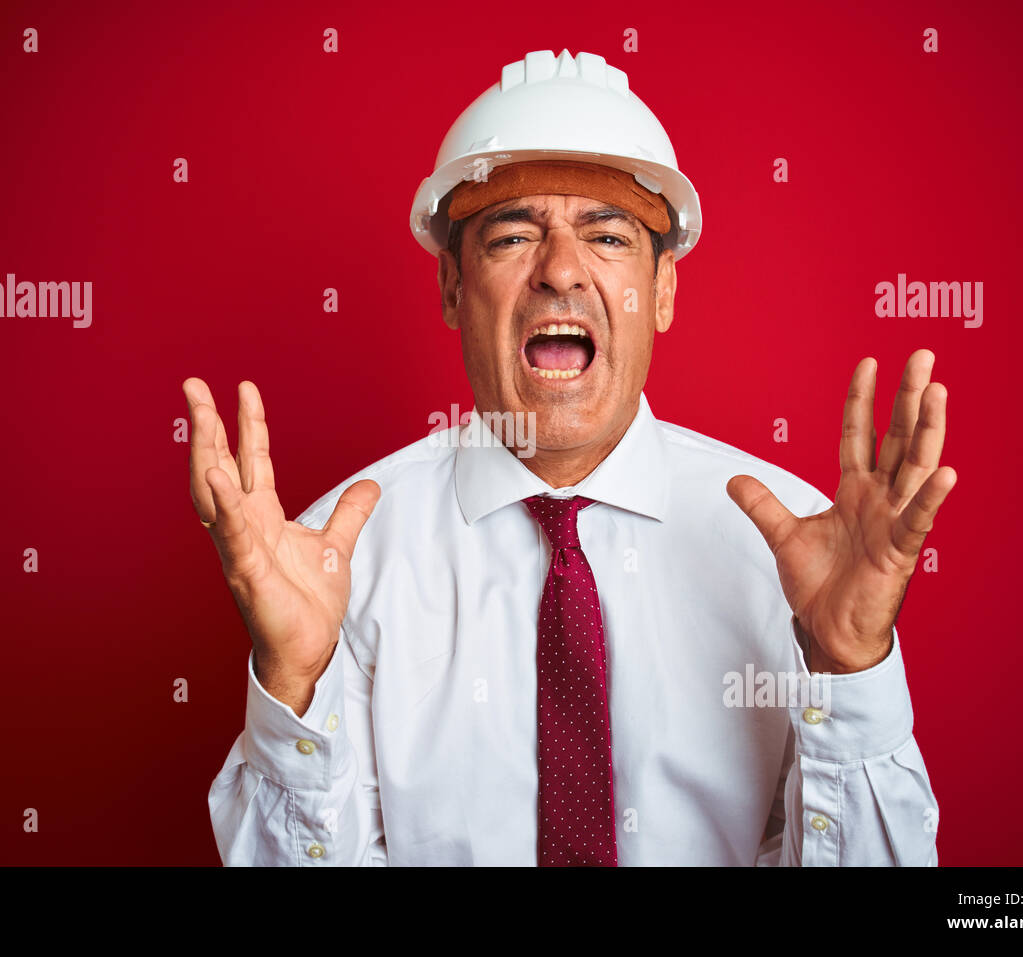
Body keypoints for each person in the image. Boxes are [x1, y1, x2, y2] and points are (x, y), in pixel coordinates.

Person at [186, 49, 956, 866]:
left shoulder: (791, 548)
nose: (559, 270)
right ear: (451, 287)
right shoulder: (341, 558)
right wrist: (293, 682)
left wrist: (850, 668)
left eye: (607, 234)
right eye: (513, 235)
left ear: (662, 291)